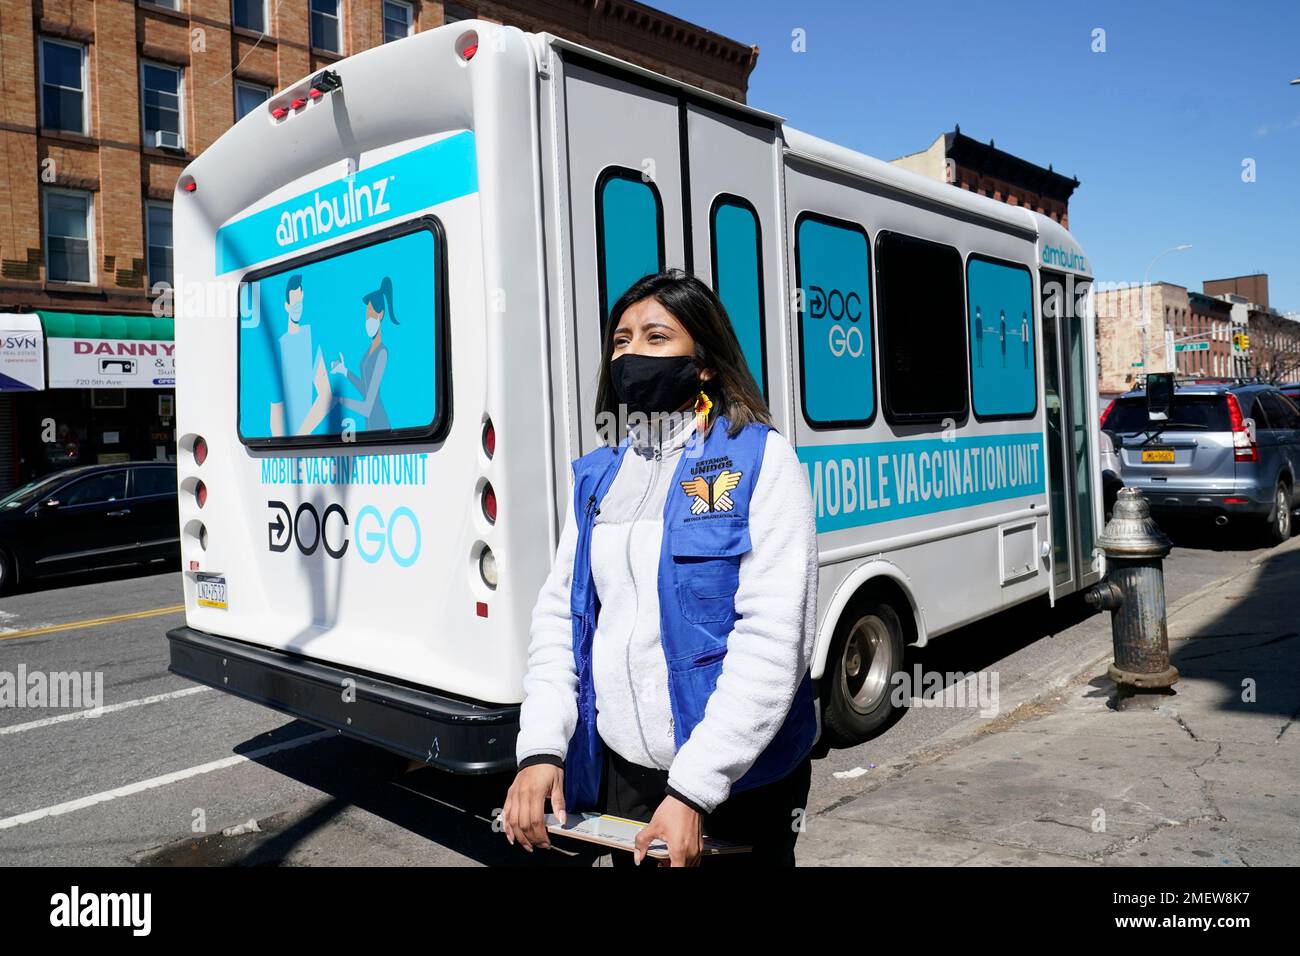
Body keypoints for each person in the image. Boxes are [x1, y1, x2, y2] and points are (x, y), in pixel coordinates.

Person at [501, 269, 820, 867]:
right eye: (621, 341)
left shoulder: (758, 458)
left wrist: (695, 787)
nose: (631, 354)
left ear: (703, 362)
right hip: (628, 776)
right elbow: (560, 620)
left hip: (734, 784)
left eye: (655, 337)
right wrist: (542, 746)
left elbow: (776, 637)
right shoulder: (600, 476)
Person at [269, 274, 334, 437]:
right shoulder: (279, 346)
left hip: (305, 439)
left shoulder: (310, 338)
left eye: (300, 300)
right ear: (286, 305)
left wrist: (301, 434)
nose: (298, 305)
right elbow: (276, 411)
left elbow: (326, 396)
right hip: (289, 446)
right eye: (294, 302)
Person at [332, 276, 396, 431]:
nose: (367, 320)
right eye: (366, 316)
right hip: (370, 424)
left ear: (380, 315)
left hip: (379, 423)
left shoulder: (382, 353)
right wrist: (344, 371)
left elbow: (368, 406)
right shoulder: (369, 351)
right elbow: (365, 388)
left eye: (370, 315)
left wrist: (340, 401)